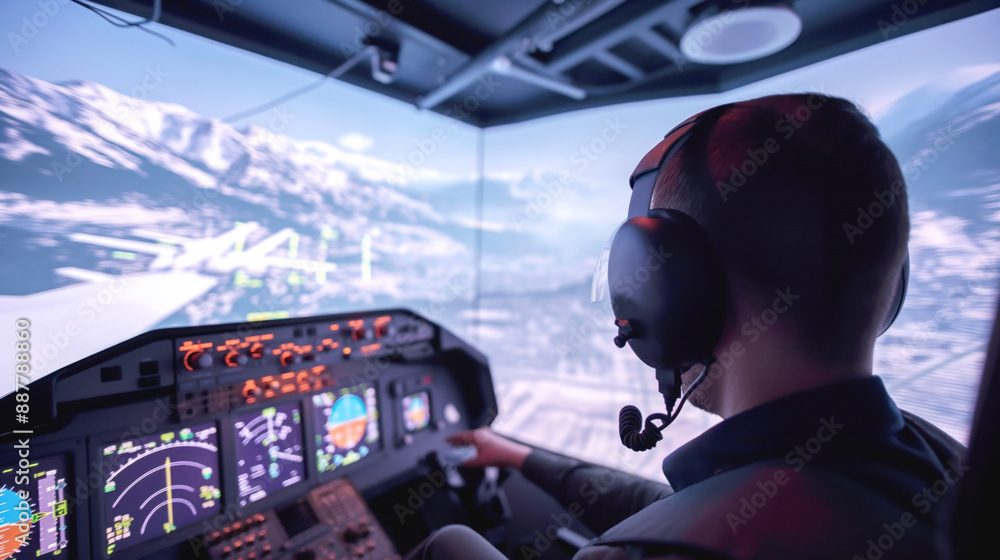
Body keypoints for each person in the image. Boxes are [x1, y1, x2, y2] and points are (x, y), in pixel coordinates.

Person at [404, 94, 967, 559]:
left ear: (664, 288)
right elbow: (686, 512)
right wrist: (518, 455)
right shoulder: (938, 462)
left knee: (448, 544)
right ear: (887, 287)